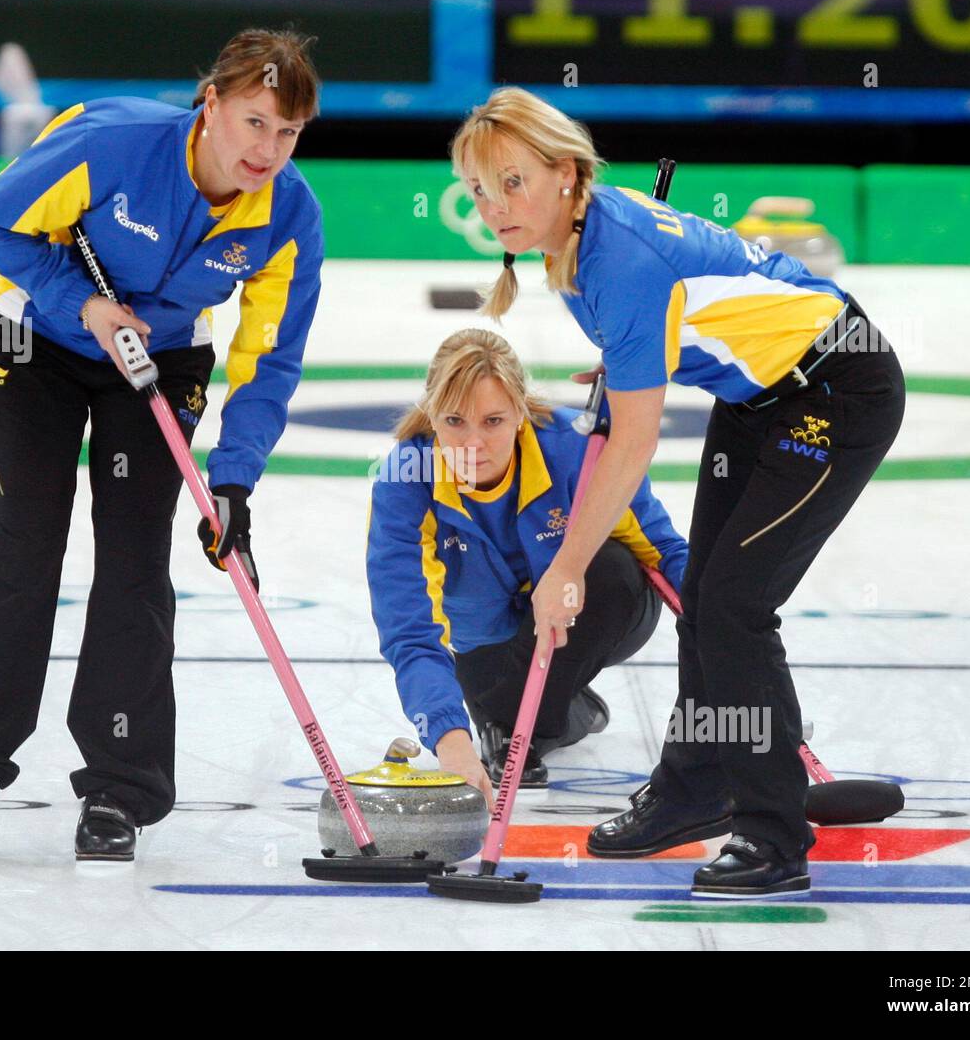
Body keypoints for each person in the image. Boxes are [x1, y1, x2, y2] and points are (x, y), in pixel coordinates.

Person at [450, 88, 905, 896]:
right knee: (705, 593)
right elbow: (687, 315)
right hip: (755, 395)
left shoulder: (616, 258)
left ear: (566, 173)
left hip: (835, 389)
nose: (495, 208)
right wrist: (634, 362)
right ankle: (696, 787)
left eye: (512, 182)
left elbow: (632, 445)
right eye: (482, 190)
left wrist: (569, 567)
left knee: (734, 603)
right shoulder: (575, 242)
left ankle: (772, 834)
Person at [0, 29, 324, 863]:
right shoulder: (113, 144)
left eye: (286, 134)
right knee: (24, 541)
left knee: (136, 560)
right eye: (253, 123)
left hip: (162, 359)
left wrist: (235, 481)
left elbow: (270, 356)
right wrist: (82, 305)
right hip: (36, 341)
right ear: (210, 104)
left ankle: (119, 789)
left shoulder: (288, 214)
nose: (267, 150)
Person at [366, 328, 687, 806]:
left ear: (520, 411)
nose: (473, 443)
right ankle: (548, 713)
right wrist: (451, 744)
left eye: (493, 420)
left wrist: (739, 655)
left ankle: (528, 718)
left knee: (613, 569)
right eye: (454, 421)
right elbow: (409, 629)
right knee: (495, 706)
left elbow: (663, 550)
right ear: (431, 414)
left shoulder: (577, 448)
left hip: (589, 614)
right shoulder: (406, 480)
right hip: (490, 643)